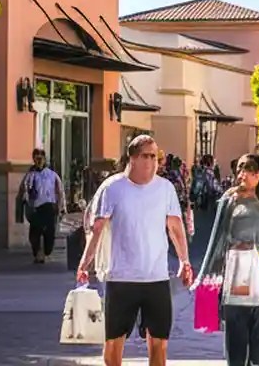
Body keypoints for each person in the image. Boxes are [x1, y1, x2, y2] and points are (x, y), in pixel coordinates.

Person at [77, 136, 193, 366]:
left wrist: (184, 260)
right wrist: (84, 264)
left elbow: (175, 227)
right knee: (113, 341)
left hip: (156, 278)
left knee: (159, 341)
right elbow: (97, 229)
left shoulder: (165, 188)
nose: (152, 162)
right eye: (146, 156)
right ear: (132, 158)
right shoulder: (112, 188)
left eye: (155, 156)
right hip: (121, 278)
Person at [194, 153, 259, 366]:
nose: (241, 175)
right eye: (239, 169)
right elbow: (218, 237)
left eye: (247, 170)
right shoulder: (230, 199)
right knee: (235, 327)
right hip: (236, 270)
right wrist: (209, 274)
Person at [19, 148, 65, 264]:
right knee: (34, 233)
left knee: (49, 232)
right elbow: (23, 191)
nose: (39, 160)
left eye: (41, 158)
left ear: (44, 160)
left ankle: (46, 252)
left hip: (49, 206)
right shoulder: (29, 176)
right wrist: (23, 205)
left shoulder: (52, 175)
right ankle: (38, 253)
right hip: (35, 207)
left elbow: (59, 191)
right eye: (37, 157)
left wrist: (61, 207)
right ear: (34, 159)